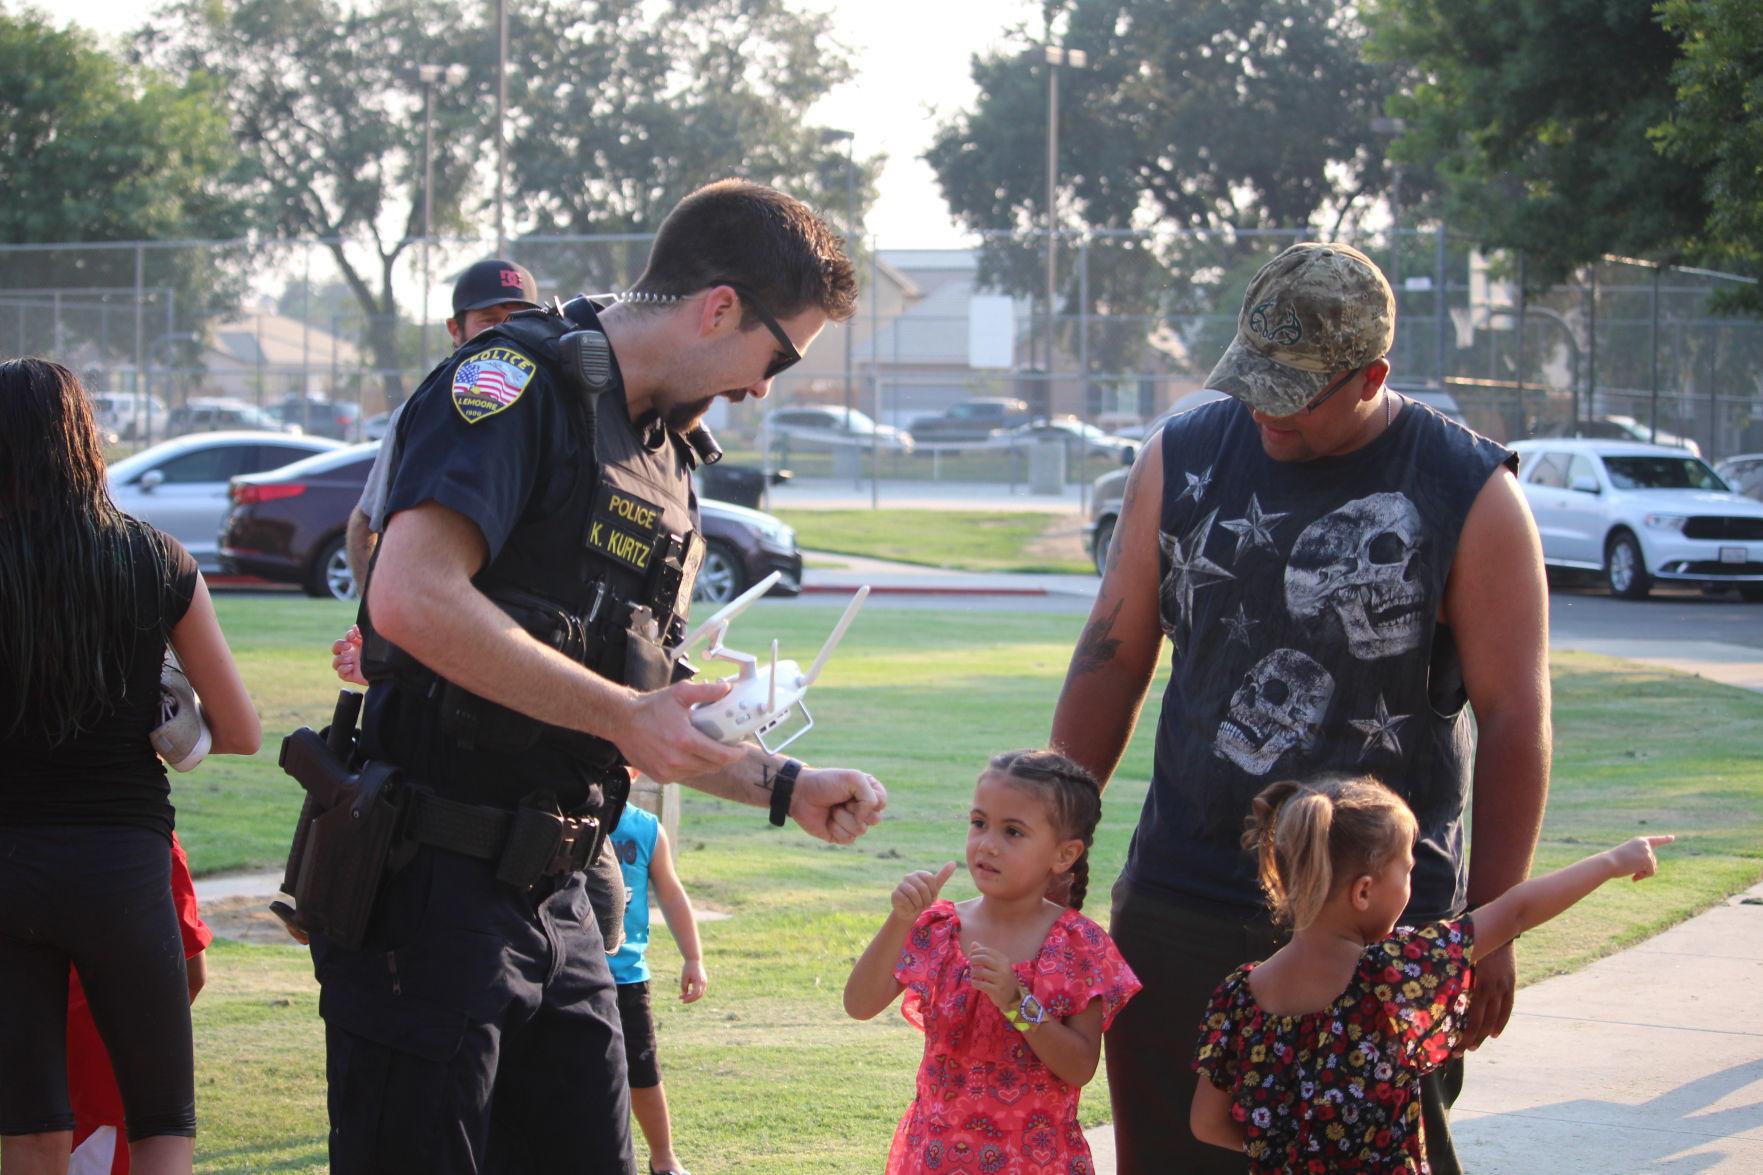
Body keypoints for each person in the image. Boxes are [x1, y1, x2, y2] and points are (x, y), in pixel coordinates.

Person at [313, 178, 887, 1175]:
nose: (764, 387)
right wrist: (624, 710)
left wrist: (783, 785)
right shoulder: (512, 381)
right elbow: (408, 594)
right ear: (717, 306)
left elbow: (648, 711)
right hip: (431, 883)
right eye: (777, 355)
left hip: (567, 892)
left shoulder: (666, 459)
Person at [1048, 241, 1551, 1173]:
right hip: (1180, 894)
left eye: (1295, 390)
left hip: (1373, 927)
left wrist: (1493, 925)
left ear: (1372, 376)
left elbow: (1515, 716)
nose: (1263, 407)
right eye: (1251, 379)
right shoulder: (1184, 450)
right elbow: (1112, 653)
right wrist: (1058, 851)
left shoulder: (1469, 491)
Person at [0, 357, 261, 1175]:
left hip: (5, 859)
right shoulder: (155, 559)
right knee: (161, 1122)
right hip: (122, 862)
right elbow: (243, 730)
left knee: (29, 1125)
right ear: (86, 438)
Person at [1191, 774, 1670, 1172]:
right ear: (1363, 892)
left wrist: (1294, 1151)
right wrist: (1613, 861)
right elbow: (1516, 912)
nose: (1411, 884)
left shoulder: (1238, 997)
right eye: (1408, 869)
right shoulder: (1394, 974)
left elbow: (1206, 1124)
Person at [844, 749, 1140, 1174]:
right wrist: (900, 920)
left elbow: (1079, 1067)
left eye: (1013, 832)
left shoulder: (1079, 946)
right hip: (936, 1155)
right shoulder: (939, 928)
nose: (987, 844)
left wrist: (1018, 1002)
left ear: (1063, 854)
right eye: (979, 823)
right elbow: (859, 1004)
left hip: (1036, 1161)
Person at [342, 258, 541, 591]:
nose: (506, 332)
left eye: (518, 320)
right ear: (455, 329)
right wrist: (374, 619)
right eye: (489, 321)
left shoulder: (555, 409)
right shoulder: (421, 409)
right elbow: (365, 523)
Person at [65, 835, 213, 1175]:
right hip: (86, 1084)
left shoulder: (152, 838)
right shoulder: (152, 835)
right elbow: (192, 974)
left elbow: (189, 971)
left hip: (98, 1090)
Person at [607, 803, 705, 1175]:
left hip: (627, 977)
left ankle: (663, 1158)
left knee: (643, 1072)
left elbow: (672, 893)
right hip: (568, 972)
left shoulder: (646, 829)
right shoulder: (567, 812)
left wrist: (693, 957)